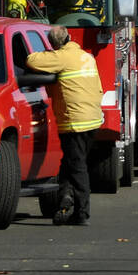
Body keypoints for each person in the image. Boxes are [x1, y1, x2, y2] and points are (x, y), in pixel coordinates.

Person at [26, 26, 104, 225]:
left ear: (54, 44)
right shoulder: (86, 56)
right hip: (93, 119)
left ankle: (82, 213)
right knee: (70, 162)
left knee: (77, 167)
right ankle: (65, 200)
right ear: (70, 38)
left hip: (75, 121)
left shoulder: (61, 57)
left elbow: (31, 60)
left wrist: (47, 53)